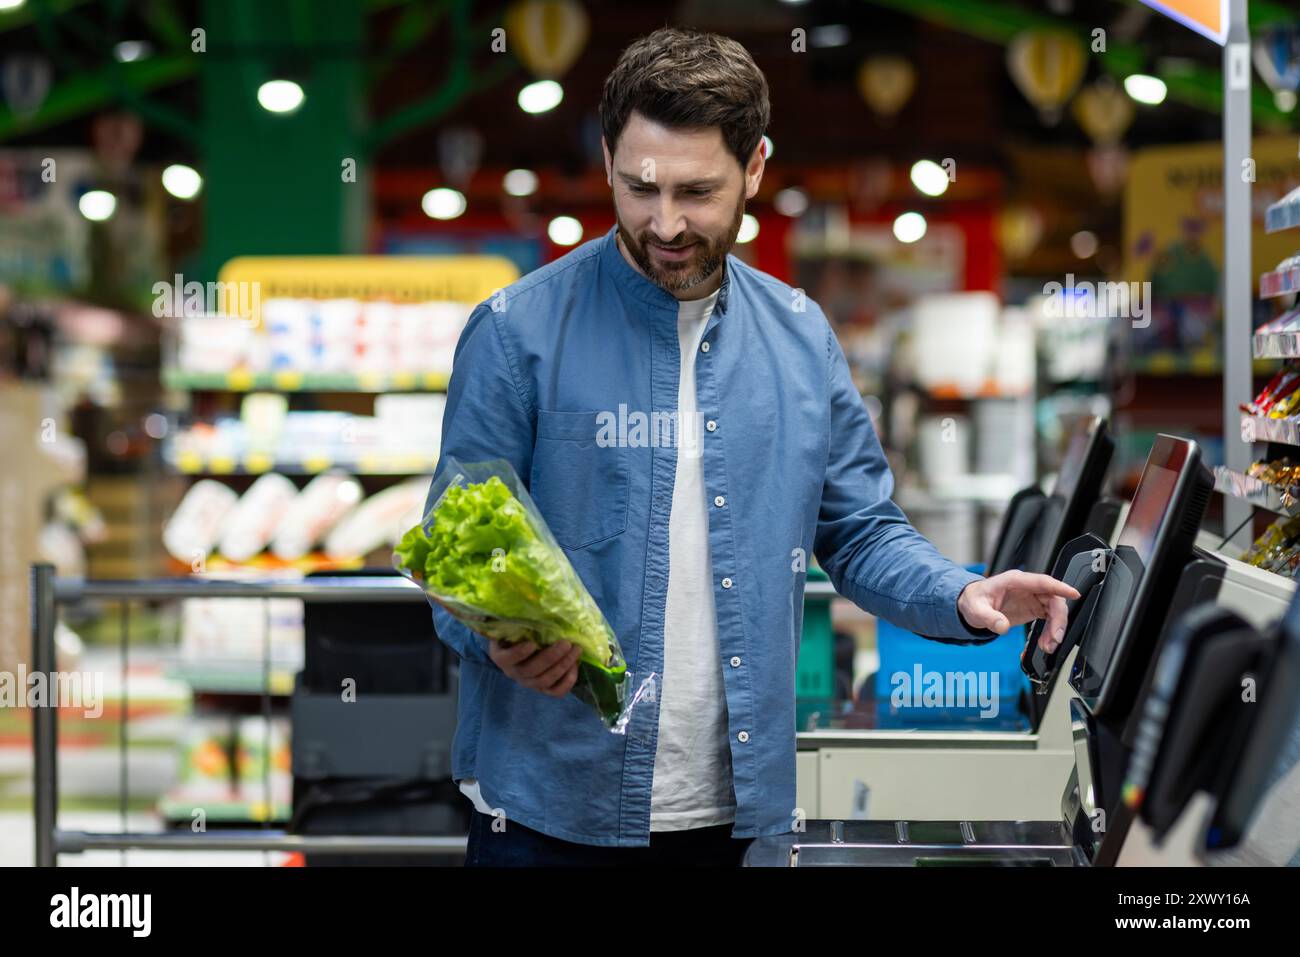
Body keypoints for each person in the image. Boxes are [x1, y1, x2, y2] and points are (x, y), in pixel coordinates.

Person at [427, 27, 1077, 867]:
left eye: (697, 191)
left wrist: (962, 594)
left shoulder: (801, 338)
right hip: (550, 815)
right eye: (639, 187)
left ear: (756, 170)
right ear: (610, 159)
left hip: (736, 820)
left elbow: (860, 531)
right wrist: (495, 637)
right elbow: (454, 553)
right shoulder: (516, 333)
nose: (664, 223)